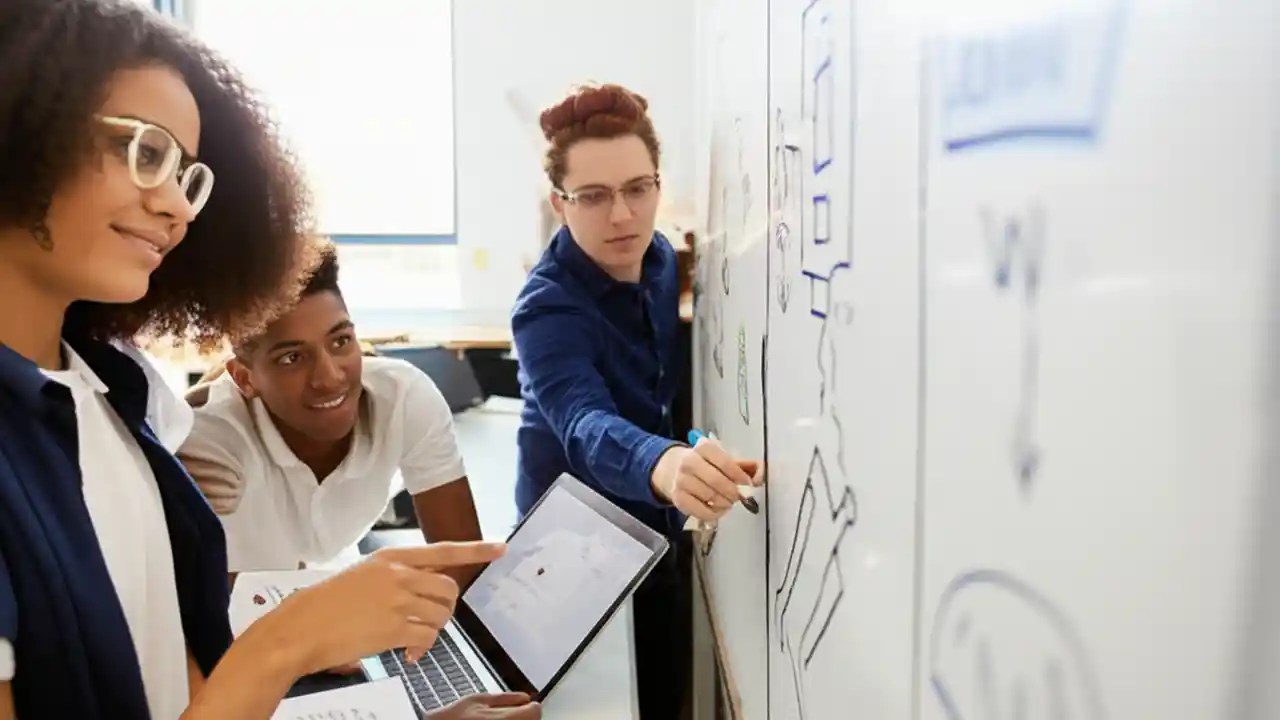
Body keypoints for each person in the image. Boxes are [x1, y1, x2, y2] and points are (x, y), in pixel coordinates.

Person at [0, 2, 515, 718]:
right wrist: (285, 645)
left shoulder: (120, 401)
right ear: (24, 123)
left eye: (187, 175)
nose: (177, 207)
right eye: (145, 151)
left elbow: (183, 693)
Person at [511, 82, 761, 718]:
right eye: (593, 196)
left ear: (656, 184)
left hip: (661, 529)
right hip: (570, 557)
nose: (620, 215)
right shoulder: (546, 309)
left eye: (637, 189)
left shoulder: (658, 259)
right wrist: (665, 463)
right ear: (559, 203)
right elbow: (585, 423)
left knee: (667, 687)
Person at [179, 241, 485, 585]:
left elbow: (463, 561)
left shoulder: (403, 397)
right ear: (244, 377)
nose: (330, 377)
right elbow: (227, 614)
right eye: (291, 357)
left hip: (338, 588)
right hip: (264, 620)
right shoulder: (211, 442)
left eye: (340, 341)